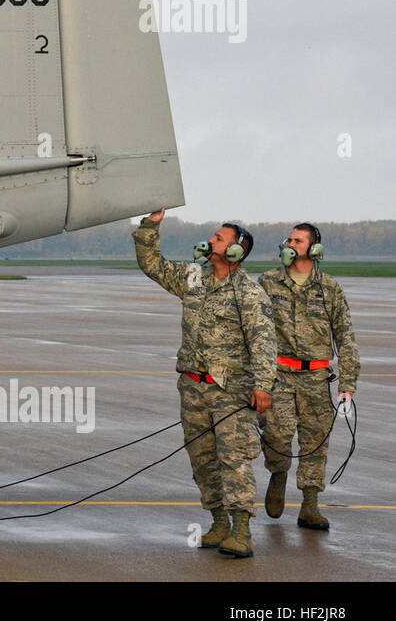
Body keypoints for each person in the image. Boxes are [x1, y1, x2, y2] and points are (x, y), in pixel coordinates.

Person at [133, 209, 277, 558]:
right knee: (202, 458)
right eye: (213, 236)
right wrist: (150, 227)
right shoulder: (194, 278)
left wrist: (263, 385)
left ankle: (241, 529)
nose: (211, 241)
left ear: (235, 251)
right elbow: (154, 266)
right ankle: (217, 522)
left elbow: (263, 341)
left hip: (232, 391)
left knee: (235, 458)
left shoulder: (249, 293)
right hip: (193, 386)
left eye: (219, 238)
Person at [259, 223, 360, 530]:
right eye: (289, 239)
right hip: (280, 373)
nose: (290, 244)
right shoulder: (268, 282)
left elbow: (346, 338)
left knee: (315, 443)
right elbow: (254, 330)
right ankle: (278, 473)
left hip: (316, 377)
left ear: (313, 249)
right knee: (276, 434)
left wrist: (348, 385)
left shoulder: (330, 288)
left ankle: (310, 506)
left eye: (297, 240)